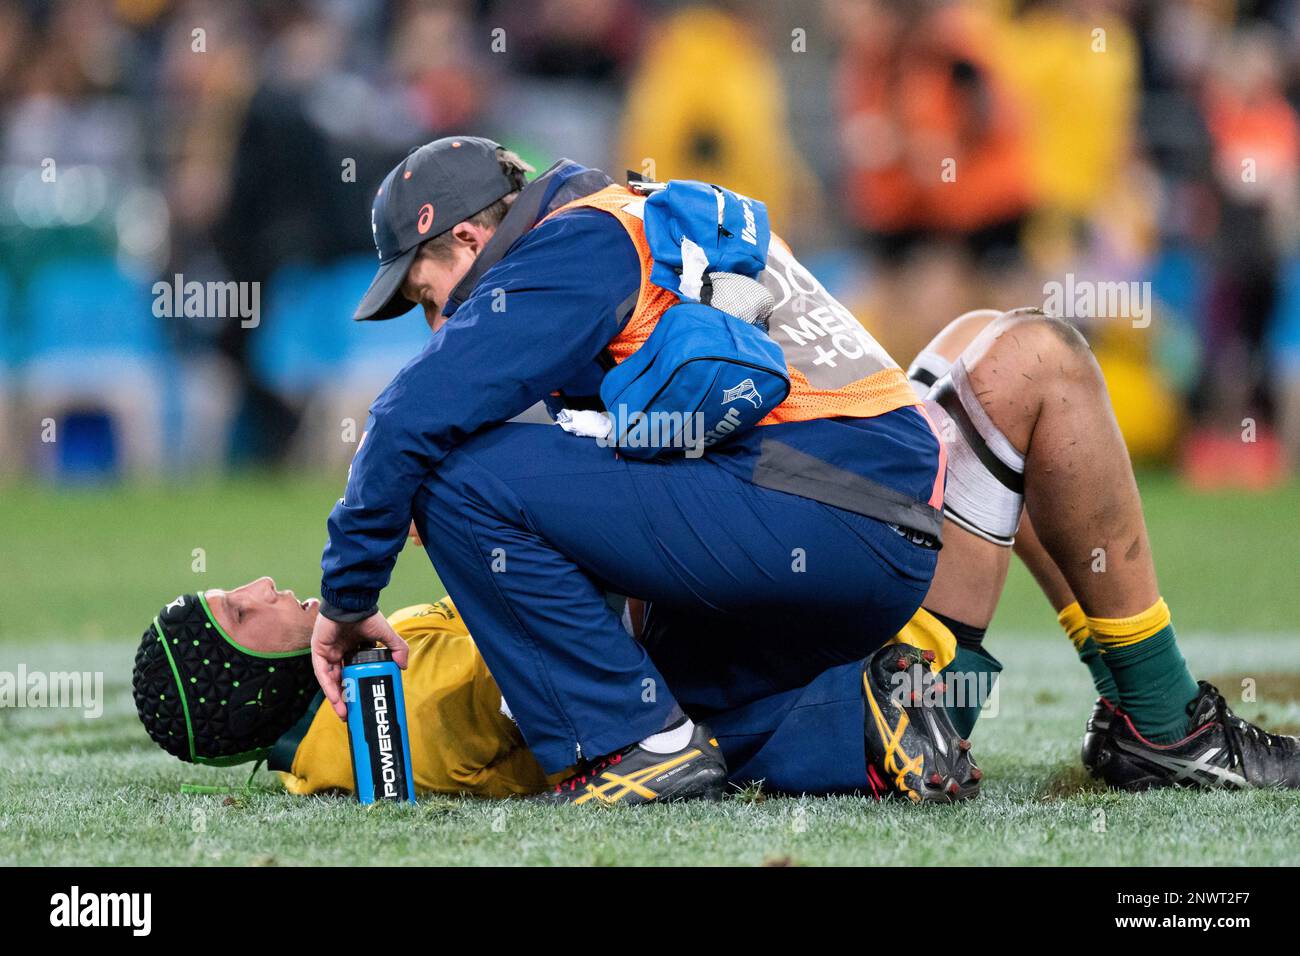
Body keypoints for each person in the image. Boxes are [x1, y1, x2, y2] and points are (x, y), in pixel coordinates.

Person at [309, 135, 953, 805]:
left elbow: (407, 416)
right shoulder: (644, 215)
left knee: (453, 478)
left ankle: (636, 748)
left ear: (469, 240)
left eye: (425, 295)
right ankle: (856, 715)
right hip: (883, 545)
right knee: (647, 681)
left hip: (816, 504)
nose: (434, 323)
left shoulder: (576, 242)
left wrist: (347, 599)